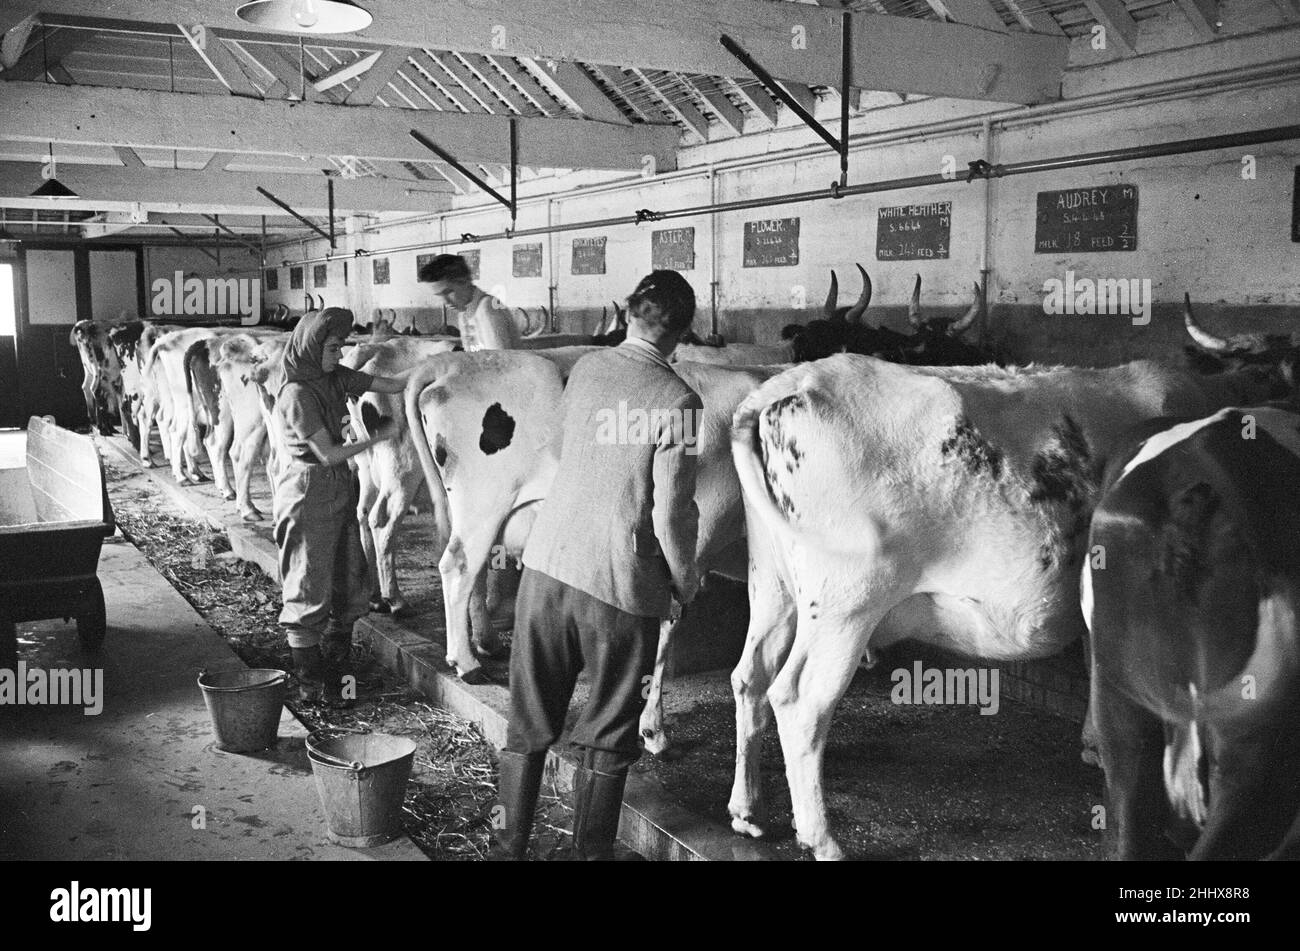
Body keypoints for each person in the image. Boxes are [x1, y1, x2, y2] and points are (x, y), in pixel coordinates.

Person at [491, 271, 703, 860]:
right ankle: (588, 856)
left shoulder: (584, 370)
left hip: (546, 569)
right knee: (608, 735)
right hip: (618, 589)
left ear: (629, 314)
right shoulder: (681, 402)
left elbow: (561, 453)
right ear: (683, 334)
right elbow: (672, 515)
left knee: (527, 722)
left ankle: (507, 848)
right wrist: (685, 581)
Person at [273, 307, 407, 706]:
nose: (339, 354)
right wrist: (379, 436)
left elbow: (392, 383)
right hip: (307, 486)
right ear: (312, 348)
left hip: (338, 485)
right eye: (332, 348)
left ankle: (338, 666)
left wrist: (437, 367)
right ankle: (310, 680)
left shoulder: (334, 376)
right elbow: (329, 453)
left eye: (341, 346)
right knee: (308, 578)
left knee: (349, 574)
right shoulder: (297, 393)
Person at [419, 253, 521, 350]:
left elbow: (500, 362)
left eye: (448, 292)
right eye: (439, 295)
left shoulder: (487, 308)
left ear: (465, 281)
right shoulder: (464, 312)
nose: (445, 301)